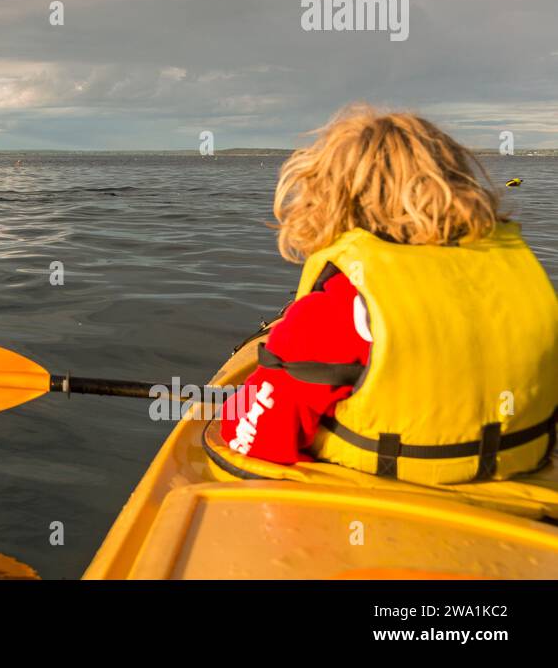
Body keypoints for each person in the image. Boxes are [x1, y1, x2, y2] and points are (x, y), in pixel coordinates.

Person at [219, 105, 557, 485]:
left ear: (329, 197)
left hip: (377, 503)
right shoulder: (521, 277)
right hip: (523, 493)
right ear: (458, 181)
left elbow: (253, 437)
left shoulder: (337, 310)